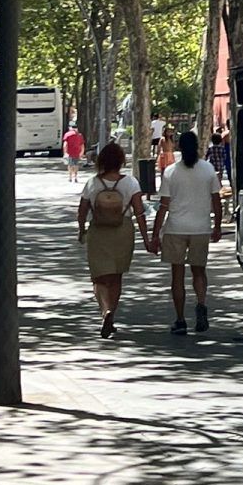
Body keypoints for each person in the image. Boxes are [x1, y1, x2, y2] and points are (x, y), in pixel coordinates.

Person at [76, 142, 151, 339]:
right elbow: (139, 212)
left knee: (98, 277)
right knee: (116, 276)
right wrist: (146, 238)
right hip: (123, 231)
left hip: (98, 232)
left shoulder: (92, 183)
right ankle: (112, 314)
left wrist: (82, 230)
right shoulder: (131, 183)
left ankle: (105, 311)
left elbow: (82, 210)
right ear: (120, 161)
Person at [150, 130, 223, 334]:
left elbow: (163, 206)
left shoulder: (171, 172)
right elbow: (216, 201)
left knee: (177, 275)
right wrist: (217, 226)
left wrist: (155, 234)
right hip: (200, 228)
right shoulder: (208, 169)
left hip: (175, 228)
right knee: (199, 271)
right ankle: (201, 304)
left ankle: (180, 319)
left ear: (179, 147)